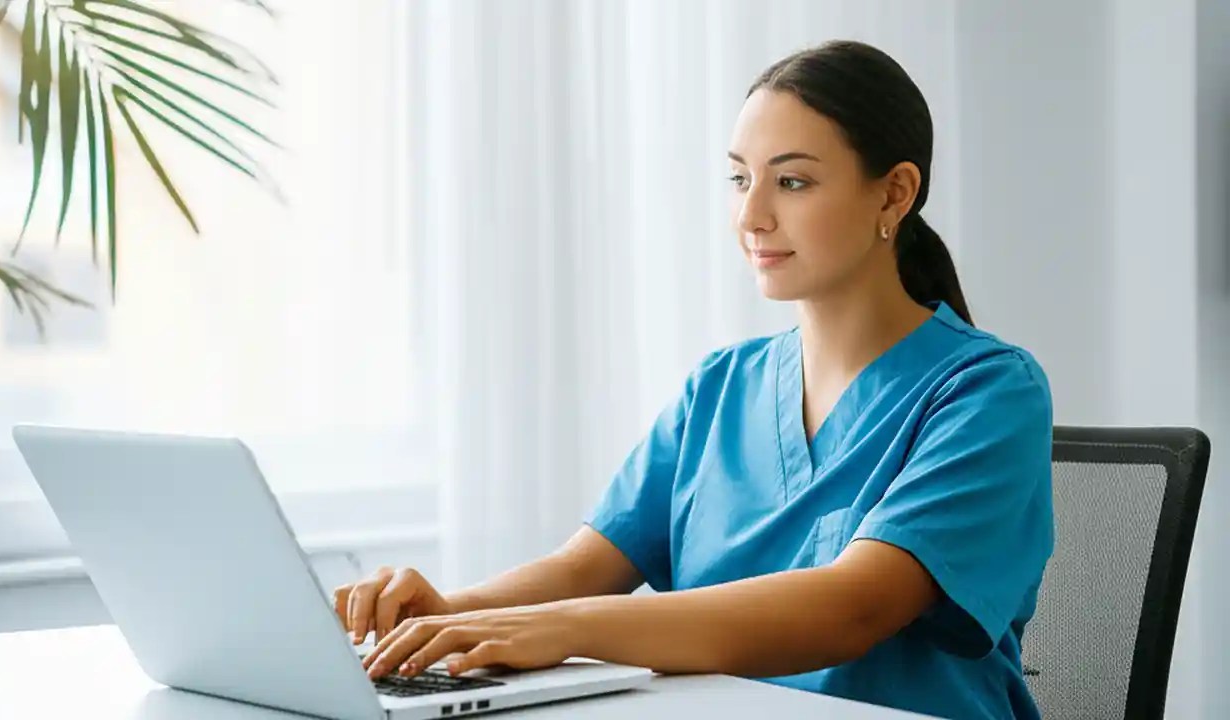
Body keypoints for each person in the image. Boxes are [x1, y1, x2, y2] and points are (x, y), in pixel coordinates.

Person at [334, 39, 1054, 720]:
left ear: (894, 195)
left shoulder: (988, 393)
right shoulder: (720, 386)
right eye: (740, 178)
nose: (751, 214)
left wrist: (558, 630)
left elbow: (853, 606)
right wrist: (448, 612)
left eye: (792, 182)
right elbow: (585, 567)